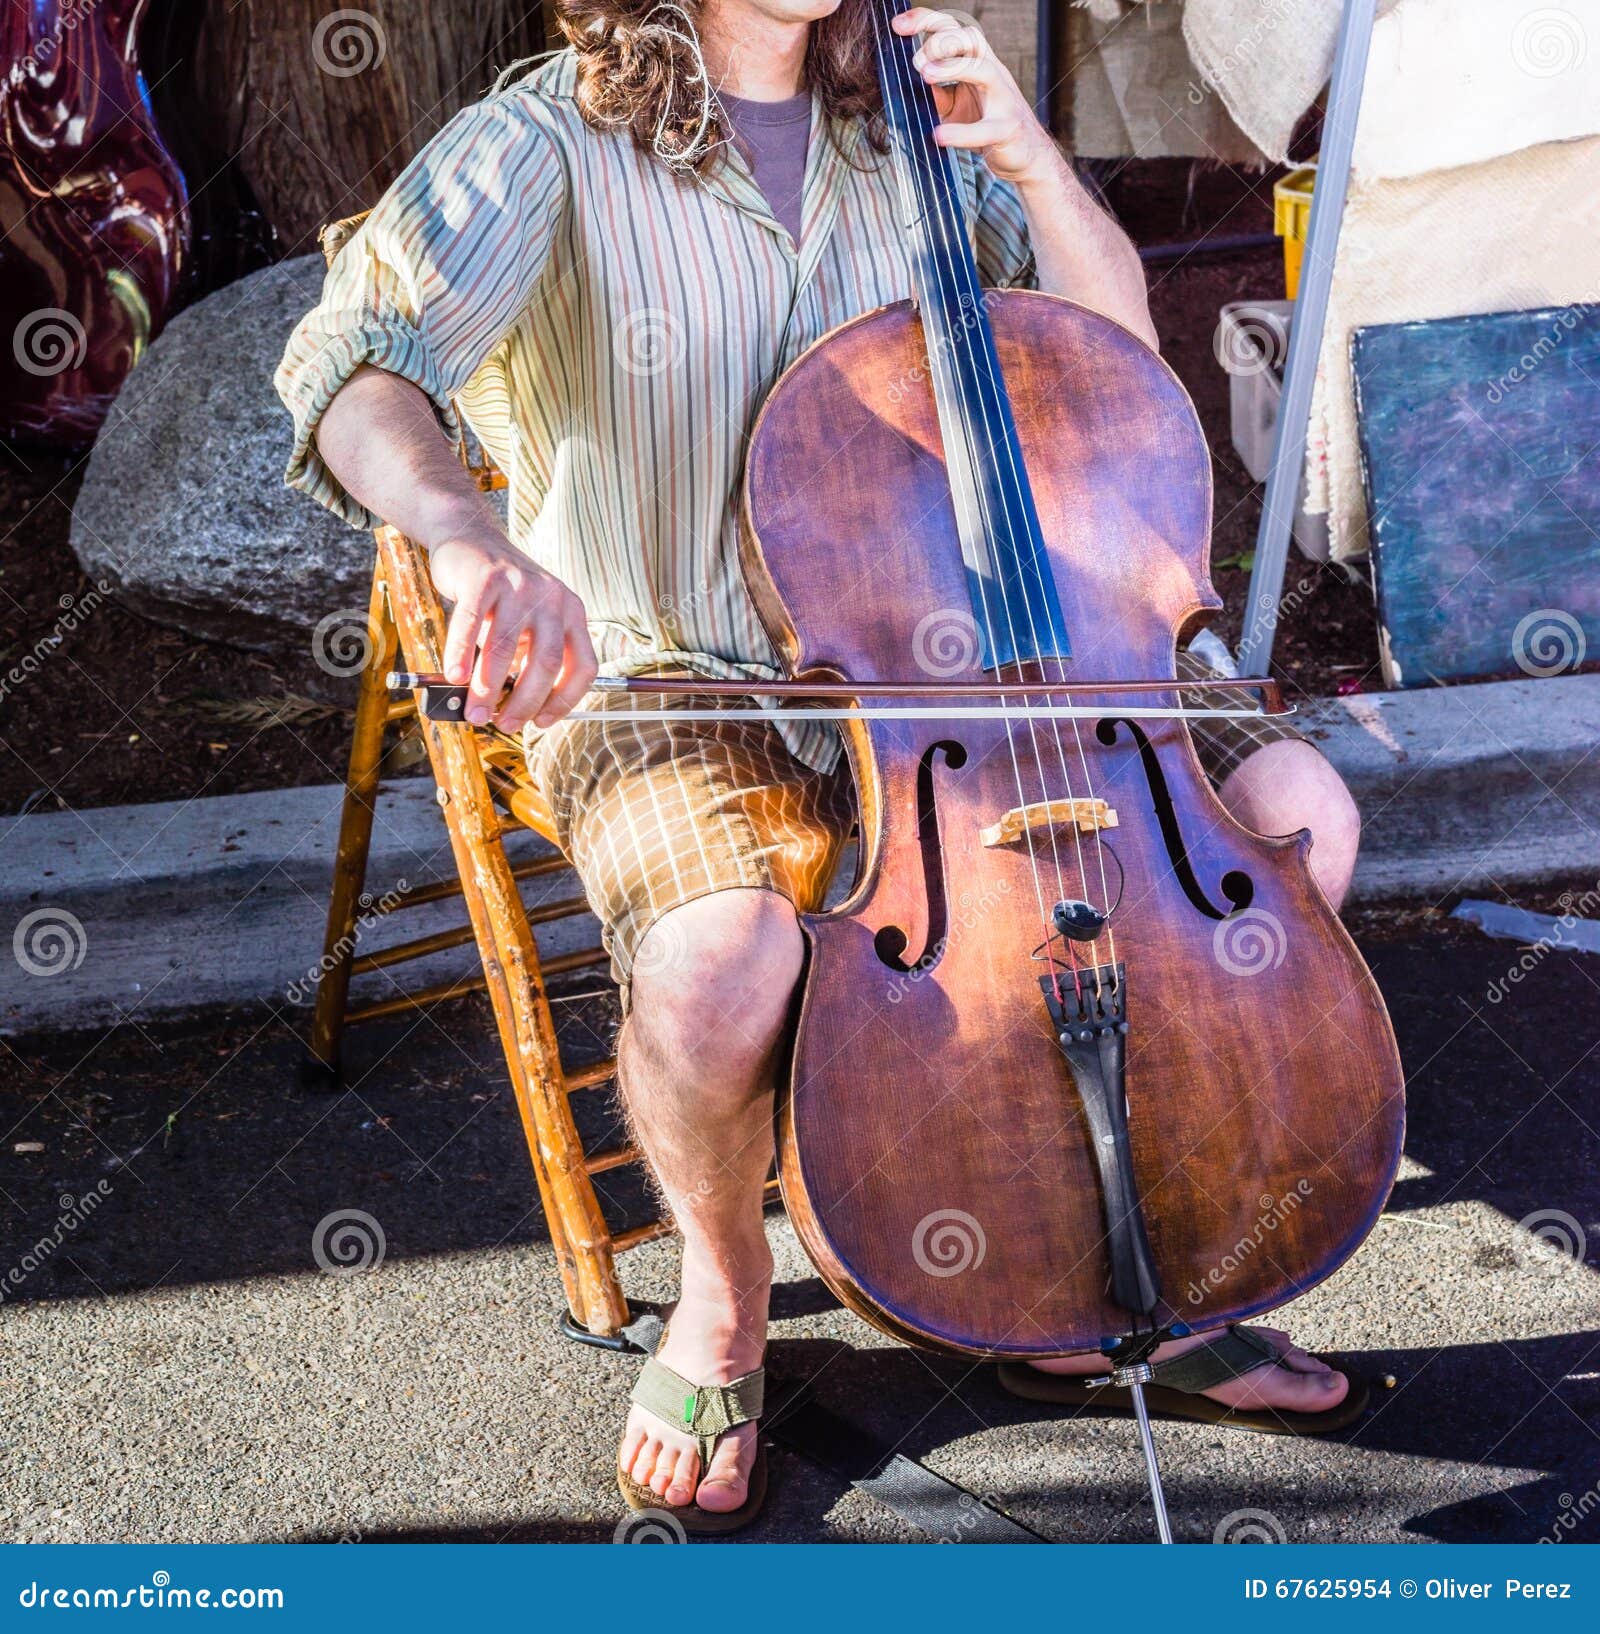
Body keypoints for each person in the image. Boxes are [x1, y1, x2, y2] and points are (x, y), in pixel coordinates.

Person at [277, 0, 1365, 1532]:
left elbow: (1112, 361)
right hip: (681, 667)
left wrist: (1037, 162)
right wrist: (465, 538)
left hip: (967, 659)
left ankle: (1108, 1257)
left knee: (1296, 817)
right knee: (722, 965)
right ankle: (723, 1299)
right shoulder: (545, 142)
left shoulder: (909, 127)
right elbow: (355, 367)